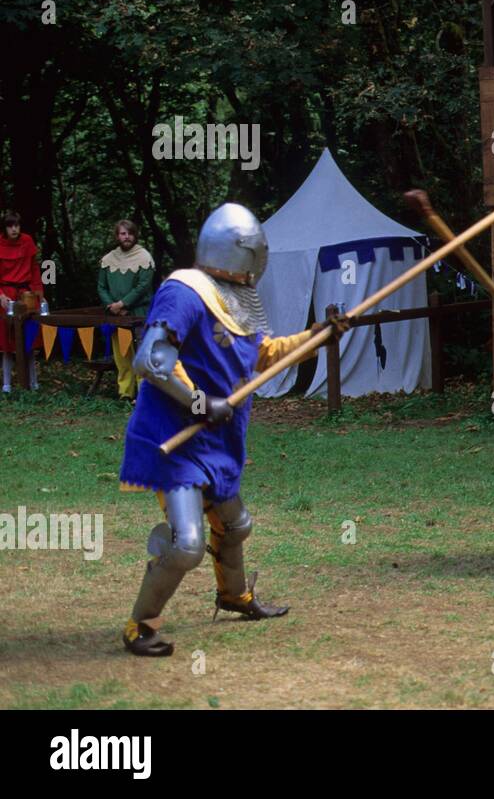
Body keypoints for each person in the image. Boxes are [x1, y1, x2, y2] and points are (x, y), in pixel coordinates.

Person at [118, 203, 349, 656]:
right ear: (246, 253)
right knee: (186, 544)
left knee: (236, 524)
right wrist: (202, 402)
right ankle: (140, 625)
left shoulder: (238, 304)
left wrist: (319, 334)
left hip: (216, 441)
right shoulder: (184, 291)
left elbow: (267, 356)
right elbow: (152, 360)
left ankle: (234, 595)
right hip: (175, 439)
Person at [97, 219, 155, 400]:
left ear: (135, 235)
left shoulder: (144, 257)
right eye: (123, 233)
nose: (126, 237)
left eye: (129, 233)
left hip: (139, 313)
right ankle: (125, 393)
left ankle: (144, 394)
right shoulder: (108, 260)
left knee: (141, 354)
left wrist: (123, 304)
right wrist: (112, 306)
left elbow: (143, 286)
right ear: (117, 236)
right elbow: (101, 287)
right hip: (116, 316)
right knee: (122, 355)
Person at [0, 210, 44, 392]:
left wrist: (39, 293)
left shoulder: (27, 241)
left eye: (16, 225)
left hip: (26, 294)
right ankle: (7, 384)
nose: (14, 229)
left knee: (30, 340)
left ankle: (33, 383)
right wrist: (0, 295)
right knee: (6, 343)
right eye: (10, 226)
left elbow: (34, 270)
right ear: (5, 228)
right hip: (6, 294)